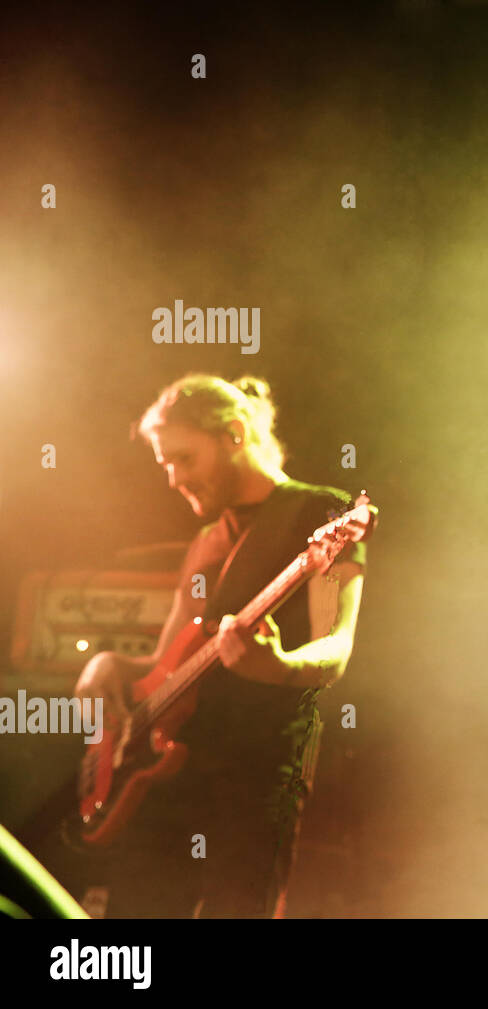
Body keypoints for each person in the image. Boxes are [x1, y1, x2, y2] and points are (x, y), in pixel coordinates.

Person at [72, 374, 366, 917]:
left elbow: (334, 650)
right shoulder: (207, 540)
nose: (173, 478)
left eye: (184, 459)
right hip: (171, 775)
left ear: (235, 434)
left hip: (259, 769)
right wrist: (105, 664)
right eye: (165, 464)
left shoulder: (322, 514)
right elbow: (163, 665)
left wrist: (277, 666)